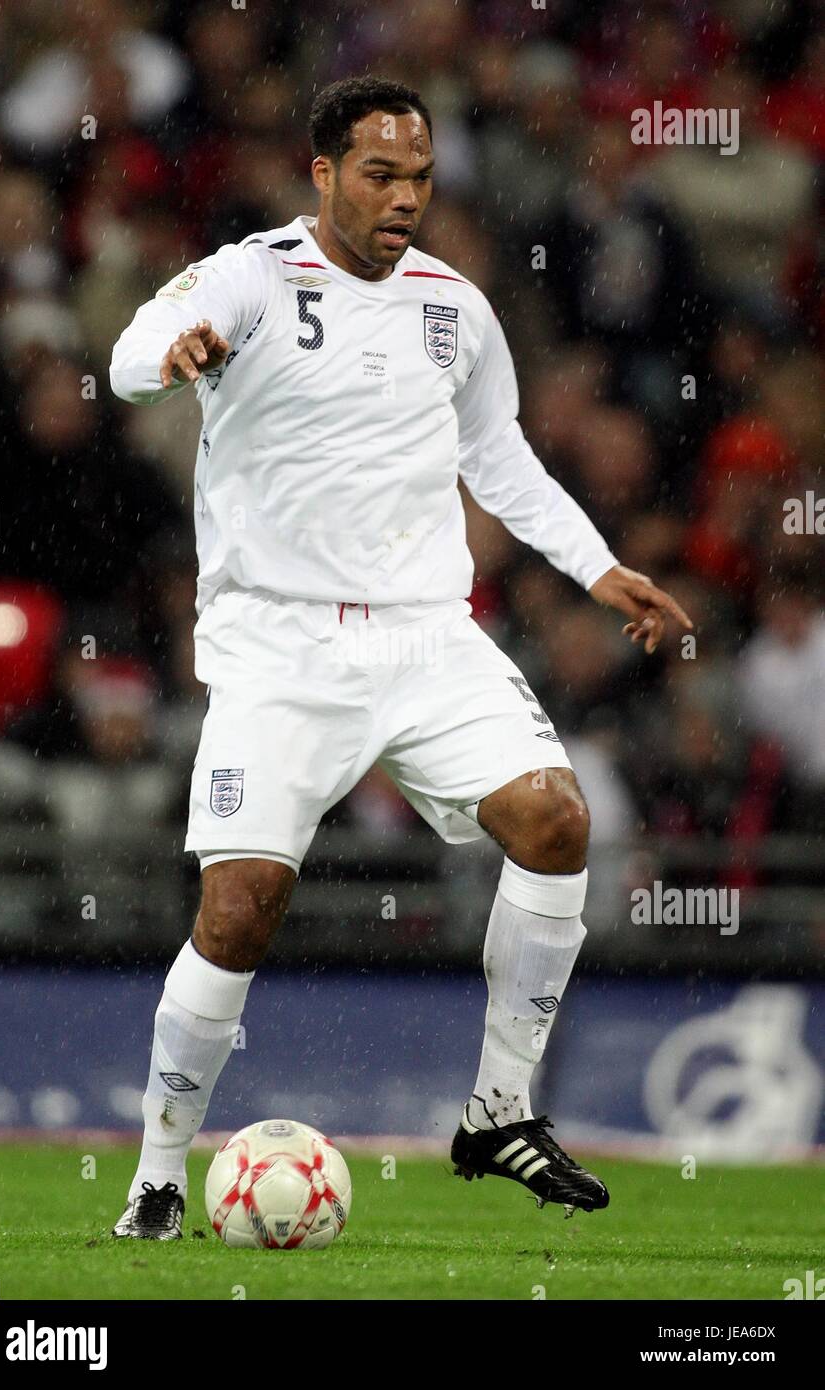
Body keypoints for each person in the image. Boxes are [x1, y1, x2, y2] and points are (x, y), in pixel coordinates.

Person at [109, 75, 691, 1240]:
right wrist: (175, 351)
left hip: (427, 635)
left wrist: (595, 566)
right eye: (379, 174)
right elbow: (127, 357)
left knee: (556, 819)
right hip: (278, 642)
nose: (404, 197)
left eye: (419, 176)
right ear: (322, 172)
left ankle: (495, 1111)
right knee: (240, 906)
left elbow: (501, 457)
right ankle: (159, 1173)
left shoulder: (454, 309)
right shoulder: (252, 275)